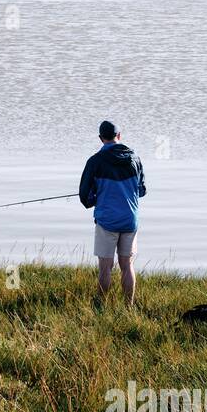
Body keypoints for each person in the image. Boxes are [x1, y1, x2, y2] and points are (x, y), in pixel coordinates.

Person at [79, 121, 147, 306]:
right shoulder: (135, 159)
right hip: (129, 221)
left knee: (105, 268)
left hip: (107, 222)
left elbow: (85, 198)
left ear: (101, 139)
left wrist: (97, 197)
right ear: (119, 135)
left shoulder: (95, 162)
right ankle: (128, 306)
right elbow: (142, 190)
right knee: (127, 265)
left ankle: (101, 305)